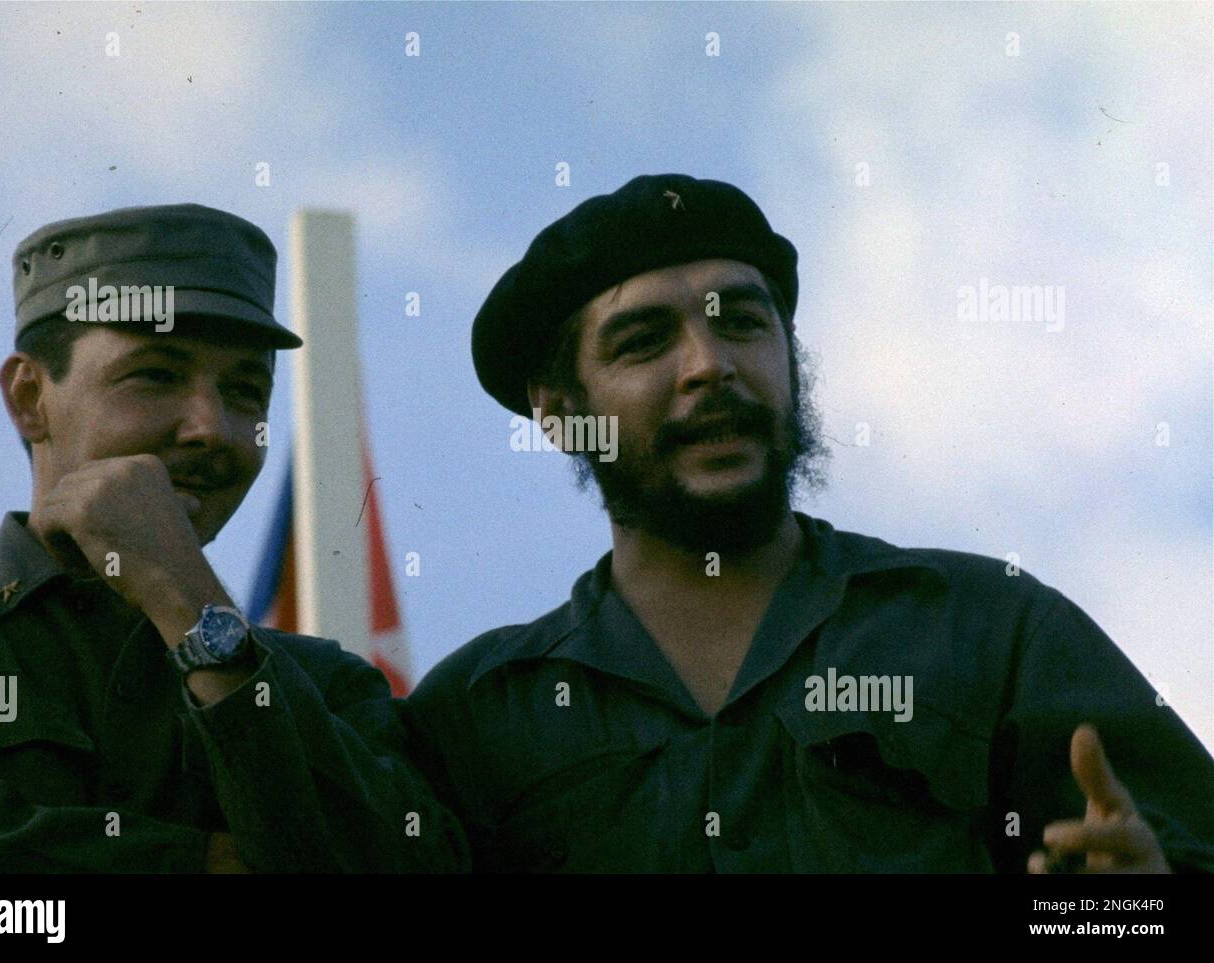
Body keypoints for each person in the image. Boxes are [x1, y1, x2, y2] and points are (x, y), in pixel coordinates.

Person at [402, 173, 1214, 873]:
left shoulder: (989, 628)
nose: (709, 364)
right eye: (645, 340)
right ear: (560, 410)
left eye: (742, 323)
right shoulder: (472, 721)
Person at [0, 203, 467, 873]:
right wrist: (204, 861)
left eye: (245, 390)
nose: (212, 427)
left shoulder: (330, 687)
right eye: (156, 373)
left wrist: (191, 605)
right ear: (30, 397)